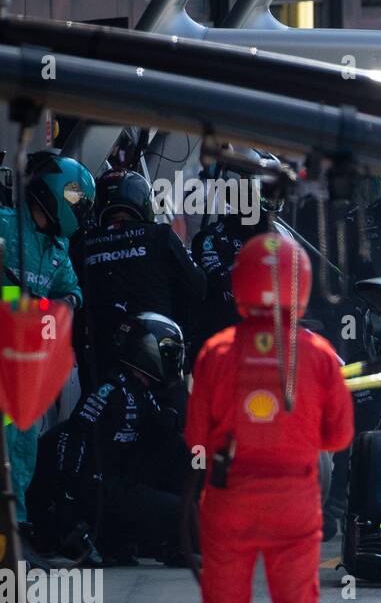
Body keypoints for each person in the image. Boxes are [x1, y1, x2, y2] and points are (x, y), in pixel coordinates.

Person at [185, 234, 354, 603]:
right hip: (295, 506)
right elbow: (339, 437)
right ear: (301, 287)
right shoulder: (321, 356)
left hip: (229, 503)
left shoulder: (216, 353)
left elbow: (196, 436)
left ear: (240, 284)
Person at [28, 313, 189, 566]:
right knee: (183, 513)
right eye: (169, 351)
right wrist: (68, 500)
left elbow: (167, 438)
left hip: (115, 484)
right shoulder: (110, 389)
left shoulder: (142, 392)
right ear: (147, 348)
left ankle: (123, 540)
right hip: (95, 490)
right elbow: (74, 436)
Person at [1, 149, 91, 522]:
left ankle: (16, 531)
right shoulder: (5, 225)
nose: (80, 209)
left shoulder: (58, 248)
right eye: (76, 199)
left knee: (24, 449)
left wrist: (61, 305)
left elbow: (72, 291)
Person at [71, 169, 205, 393]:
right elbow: (197, 287)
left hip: (101, 368)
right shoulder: (161, 236)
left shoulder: (81, 247)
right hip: (156, 364)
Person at [186, 151, 283, 363]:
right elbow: (225, 290)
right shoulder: (210, 239)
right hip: (225, 348)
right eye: (267, 188)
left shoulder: (280, 239)